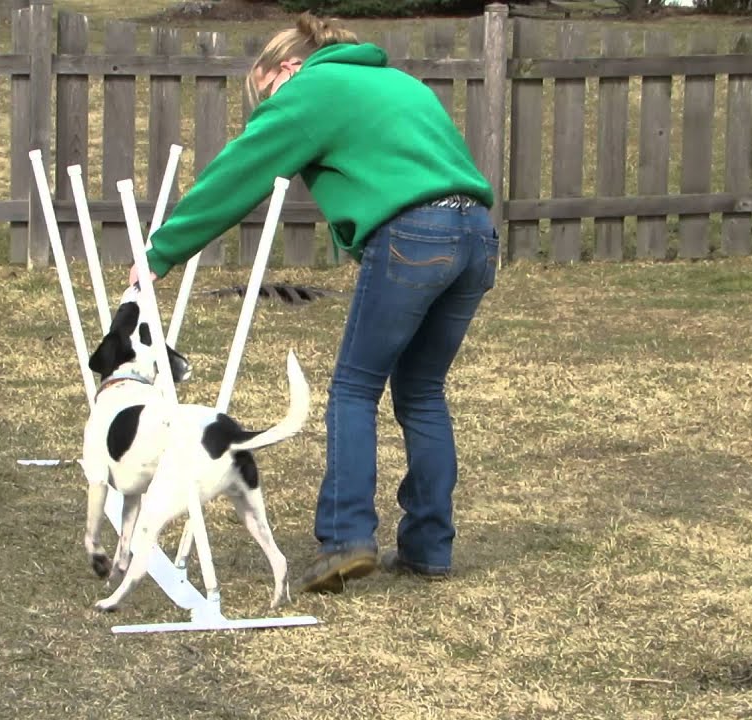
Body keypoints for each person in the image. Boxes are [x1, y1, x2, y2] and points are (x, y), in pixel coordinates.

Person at [131, 13, 499, 595]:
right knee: (423, 391)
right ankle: (430, 547)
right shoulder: (399, 83)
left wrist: (160, 252)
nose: (270, 110)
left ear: (288, 67)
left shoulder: (311, 89)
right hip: (477, 235)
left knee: (354, 387)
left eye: (267, 95)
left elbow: (239, 172)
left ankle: (347, 537)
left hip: (413, 236)